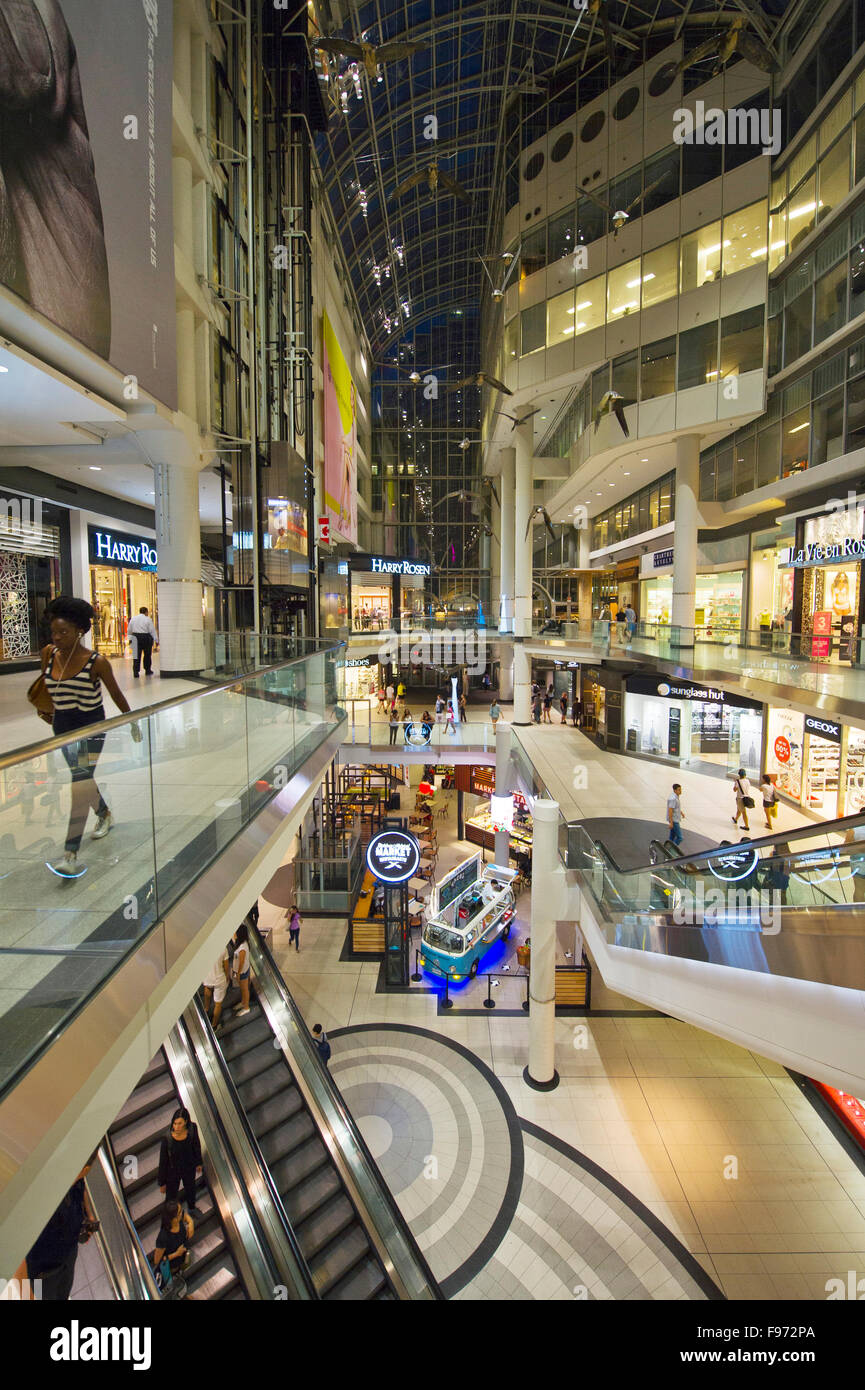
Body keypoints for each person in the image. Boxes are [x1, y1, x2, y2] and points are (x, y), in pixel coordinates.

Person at [39, 596, 141, 878]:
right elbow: (46, 688)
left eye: (64, 633)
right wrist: (47, 711)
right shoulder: (48, 654)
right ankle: (104, 813)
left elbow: (116, 694)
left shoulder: (96, 662)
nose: (58, 638)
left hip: (91, 725)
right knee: (82, 778)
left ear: (79, 632)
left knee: (79, 783)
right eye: (54, 632)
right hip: (62, 726)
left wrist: (132, 721)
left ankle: (70, 852)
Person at [22, 1156, 99, 1300]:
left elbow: (81, 1186)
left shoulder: (74, 1173)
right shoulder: (40, 1196)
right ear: (85, 1169)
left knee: (64, 1290)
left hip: (69, 1252)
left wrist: (88, 1214)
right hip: (44, 1269)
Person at [158, 1108, 203, 1212]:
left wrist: (198, 1162)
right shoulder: (167, 1138)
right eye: (174, 1124)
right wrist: (162, 1183)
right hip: (173, 1171)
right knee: (171, 1197)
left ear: (186, 1122)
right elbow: (163, 1161)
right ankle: (171, 1217)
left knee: (191, 1189)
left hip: (189, 1167)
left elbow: (196, 1145)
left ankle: (191, 1208)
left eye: (180, 1124)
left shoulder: (192, 1129)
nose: (176, 1127)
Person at [152, 1200, 194, 1291]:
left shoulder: (179, 1221)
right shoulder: (163, 1237)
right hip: (171, 1268)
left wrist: (191, 1223)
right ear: (173, 1219)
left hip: (182, 1261)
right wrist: (176, 1254)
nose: (182, 1213)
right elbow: (157, 1260)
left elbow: (186, 1217)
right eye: (179, 1213)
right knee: (171, 1288)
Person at [203, 949, 229, 1032]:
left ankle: (206, 1010)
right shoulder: (223, 948)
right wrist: (227, 977)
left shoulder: (204, 948)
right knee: (218, 1003)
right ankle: (214, 1026)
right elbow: (226, 966)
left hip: (208, 977)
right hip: (219, 979)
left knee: (207, 989)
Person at [127, 606, 158, 677]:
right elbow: (152, 630)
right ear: (146, 612)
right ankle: (147, 670)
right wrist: (156, 640)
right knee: (147, 655)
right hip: (145, 637)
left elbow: (129, 629)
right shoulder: (148, 619)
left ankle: (135, 672)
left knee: (136, 656)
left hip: (135, 637)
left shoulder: (133, 619)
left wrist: (130, 638)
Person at [231, 922, 251, 1010]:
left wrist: (238, 974)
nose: (234, 933)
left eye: (236, 931)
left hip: (242, 972)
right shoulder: (240, 943)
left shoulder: (243, 947)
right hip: (238, 971)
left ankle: (246, 1007)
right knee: (242, 989)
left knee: (244, 989)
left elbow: (241, 962)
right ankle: (243, 1002)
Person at [666, 783, 684, 847]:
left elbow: (676, 807)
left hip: (674, 819)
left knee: (672, 836)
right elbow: (670, 810)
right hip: (674, 820)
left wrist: (681, 813)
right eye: (679, 790)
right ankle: (672, 850)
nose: (680, 791)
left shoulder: (675, 796)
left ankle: (667, 849)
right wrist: (671, 823)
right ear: (675, 790)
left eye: (680, 789)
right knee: (680, 838)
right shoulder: (673, 798)